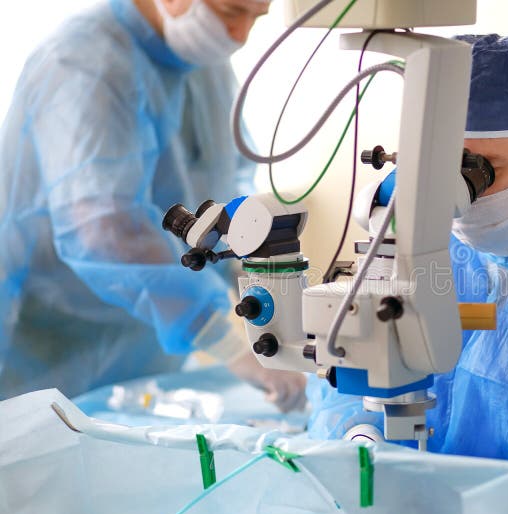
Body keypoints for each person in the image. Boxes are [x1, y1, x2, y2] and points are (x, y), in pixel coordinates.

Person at [306, 34, 508, 498]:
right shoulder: (417, 239)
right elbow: (348, 375)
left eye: (478, 171)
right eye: (434, 170)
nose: (454, 201)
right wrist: (359, 436)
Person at [0, 0, 306, 411]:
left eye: (257, 16)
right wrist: (229, 345)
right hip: (47, 351)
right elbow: (104, 231)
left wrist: (270, 296)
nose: (241, 35)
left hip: (145, 356)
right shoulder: (83, 63)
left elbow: (226, 193)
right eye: (232, 11)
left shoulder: (202, 62)